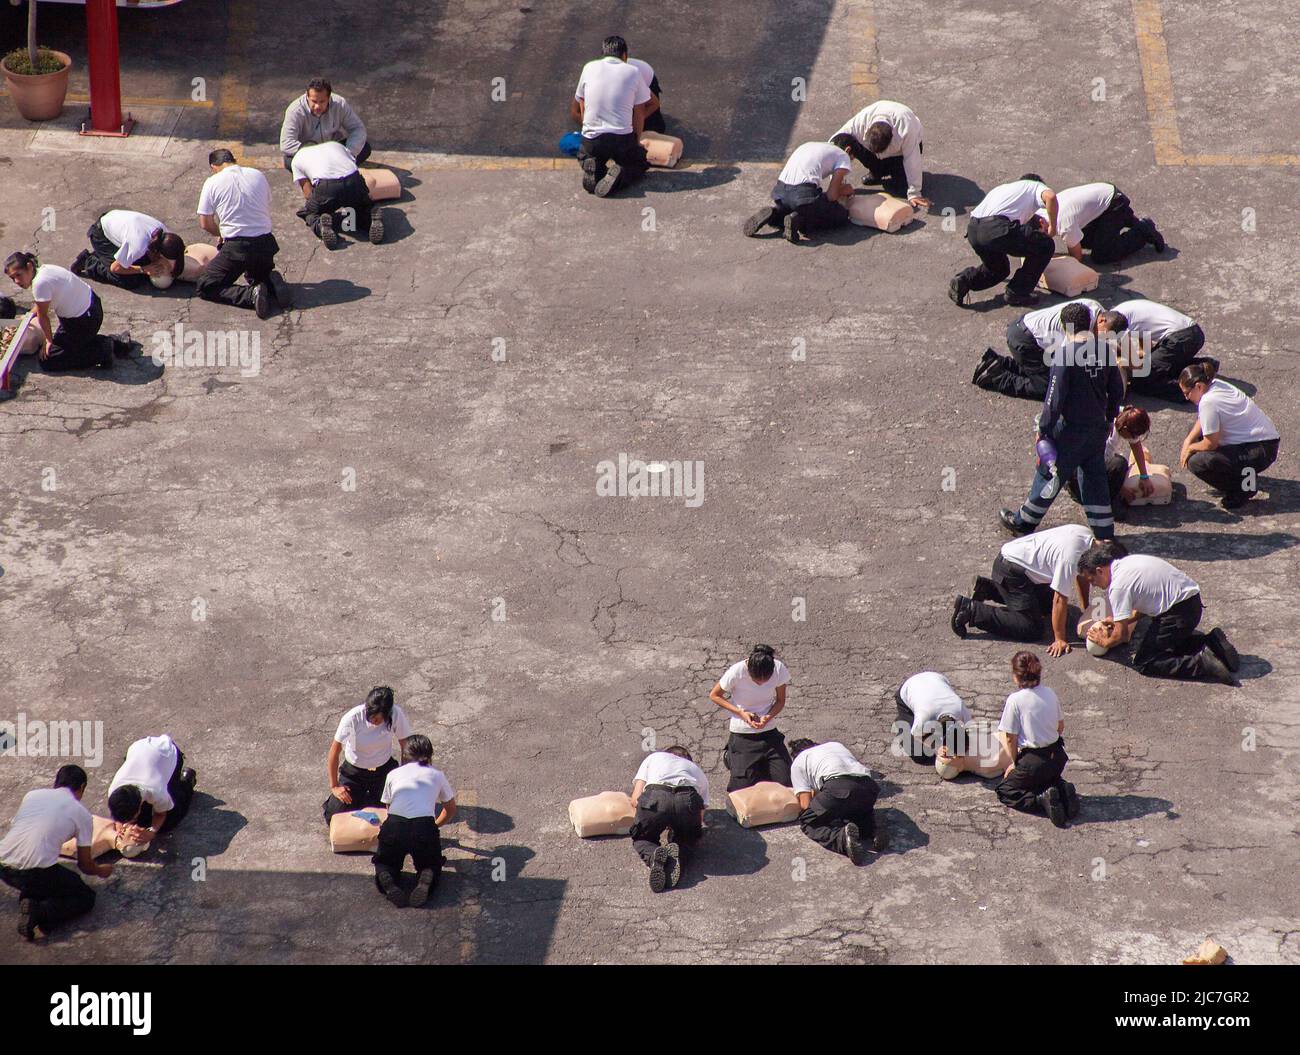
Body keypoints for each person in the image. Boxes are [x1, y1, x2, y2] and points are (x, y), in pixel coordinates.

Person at [999, 321, 1126, 540]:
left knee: (1051, 475)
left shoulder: (1065, 355)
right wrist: (1110, 417)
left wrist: (1044, 429)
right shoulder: (1105, 351)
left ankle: (1024, 522)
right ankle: (1104, 532)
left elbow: (1053, 400)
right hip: (1097, 429)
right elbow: (1116, 389)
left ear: (1067, 327)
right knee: (1095, 477)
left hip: (1070, 431)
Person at [1078, 543, 1239, 684]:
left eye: (1092, 580)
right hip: (1192, 604)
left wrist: (1104, 642)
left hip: (1178, 615)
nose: (1094, 586)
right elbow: (1145, 604)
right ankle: (1212, 642)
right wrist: (1121, 620)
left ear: (1099, 571)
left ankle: (1203, 664)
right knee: (1169, 643)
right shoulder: (1128, 562)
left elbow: (1121, 635)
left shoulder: (1118, 587)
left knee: (1145, 662)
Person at [953, 525, 1108, 653]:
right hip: (1011, 571)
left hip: (1018, 564)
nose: (1095, 584)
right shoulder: (1071, 558)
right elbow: (1059, 599)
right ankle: (972, 611)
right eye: (1096, 579)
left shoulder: (1087, 539)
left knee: (1047, 606)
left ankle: (988, 589)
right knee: (1031, 627)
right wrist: (1059, 639)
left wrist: (1085, 608)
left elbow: (1082, 576)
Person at [0, 765, 112, 941]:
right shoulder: (81, 813)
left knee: (45, 880)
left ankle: (30, 900)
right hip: (34, 872)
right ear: (82, 787)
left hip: (4, 866)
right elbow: (85, 865)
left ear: (56, 782)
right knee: (85, 896)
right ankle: (40, 913)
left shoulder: (32, 795)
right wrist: (101, 870)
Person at [196, 148, 291, 319]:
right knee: (255, 274)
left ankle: (250, 295)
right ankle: (269, 281)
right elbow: (264, 204)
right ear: (234, 160)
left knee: (206, 285)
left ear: (213, 166)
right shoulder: (257, 175)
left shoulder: (212, 182)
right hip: (266, 244)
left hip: (237, 247)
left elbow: (205, 224)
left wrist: (221, 233)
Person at [3, 251, 130, 372]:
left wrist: (48, 341)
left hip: (83, 321)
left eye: (18, 275)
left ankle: (102, 351)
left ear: (29, 266)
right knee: (66, 345)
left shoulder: (39, 284)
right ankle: (116, 342)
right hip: (92, 306)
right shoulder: (44, 270)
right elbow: (41, 303)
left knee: (48, 359)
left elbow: (43, 317)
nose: (17, 282)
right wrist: (28, 316)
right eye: (12, 278)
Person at [1178, 360, 1280, 510]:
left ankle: (1243, 489)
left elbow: (1210, 444)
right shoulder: (1215, 384)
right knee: (1194, 433)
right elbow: (1204, 419)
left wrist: (1190, 448)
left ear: (1198, 386)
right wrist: (1188, 440)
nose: (1186, 398)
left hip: (1260, 450)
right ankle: (1245, 475)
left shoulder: (1208, 401)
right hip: (1265, 443)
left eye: (1187, 393)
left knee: (1197, 462)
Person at [973, 299, 1121, 401]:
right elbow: (1065, 362)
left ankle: (996, 362)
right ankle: (994, 376)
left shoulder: (1096, 309)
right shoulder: (1078, 326)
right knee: (1047, 387)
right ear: (1102, 320)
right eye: (1104, 336)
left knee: (1044, 372)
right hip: (1026, 340)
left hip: (1028, 329)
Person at [993, 651, 1078, 827]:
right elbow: (1060, 727)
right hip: (1057, 757)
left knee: (1006, 790)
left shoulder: (1015, 700)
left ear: (1016, 676)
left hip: (1034, 761)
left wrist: (1014, 763)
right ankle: (1063, 791)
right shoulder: (1050, 693)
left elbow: (1009, 737)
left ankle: (1041, 801)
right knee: (1044, 779)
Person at [949, 175, 1058, 308]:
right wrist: (1052, 228)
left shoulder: (1005, 189)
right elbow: (1051, 197)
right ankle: (1018, 292)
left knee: (998, 269)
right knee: (1045, 245)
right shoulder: (1035, 186)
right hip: (996, 228)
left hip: (974, 229)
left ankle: (963, 281)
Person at [373, 735, 456, 908]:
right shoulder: (437, 775)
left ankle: (386, 876)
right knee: (432, 863)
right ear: (430, 756)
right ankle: (427, 874)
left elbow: (388, 807)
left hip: (395, 825)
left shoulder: (393, 774)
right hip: (424, 827)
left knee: (386, 861)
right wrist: (435, 825)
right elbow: (450, 809)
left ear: (405, 755)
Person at [571, 36, 652, 197]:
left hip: (592, 140)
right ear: (625, 55)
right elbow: (640, 111)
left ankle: (594, 166)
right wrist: (636, 142)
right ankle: (620, 174)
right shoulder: (633, 71)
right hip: (621, 140)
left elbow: (582, 102)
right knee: (639, 162)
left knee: (587, 154)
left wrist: (587, 131)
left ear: (603, 54)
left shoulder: (589, 67)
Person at [789, 739, 888, 864]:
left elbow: (805, 804)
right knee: (853, 812)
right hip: (869, 788)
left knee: (808, 821)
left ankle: (841, 840)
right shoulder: (835, 745)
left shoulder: (798, 762)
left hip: (838, 788)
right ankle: (872, 827)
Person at [323, 686, 414, 823]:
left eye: (377, 720)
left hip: (383, 770)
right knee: (336, 812)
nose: (372, 721)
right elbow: (334, 752)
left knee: (399, 810)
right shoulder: (352, 718)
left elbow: (405, 746)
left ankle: (370, 799)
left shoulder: (396, 714)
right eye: (370, 716)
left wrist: (403, 777)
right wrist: (335, 786)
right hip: (354, 773)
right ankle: (362, 799)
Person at [708, 644, 793, 791]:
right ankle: (731, 756)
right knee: (741, 789)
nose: (760, 683)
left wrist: (768, 716)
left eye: (765, 680)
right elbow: (714, 695)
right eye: (756, 680)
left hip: (768, 732)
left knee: (786, 782)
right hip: (742, 733)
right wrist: (741, 713)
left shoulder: (779, 669)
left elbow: (780, 701)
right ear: (749, 670)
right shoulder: (737, 671)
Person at [629, 746, 707, 893]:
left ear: (667, 754)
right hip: (687, 799)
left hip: (656, 796)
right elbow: (699, 818)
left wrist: (656, 819)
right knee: (687, 839)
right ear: (688, 761)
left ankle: (654, 856)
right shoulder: (697, 771)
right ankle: (677, 857)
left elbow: (635, 800)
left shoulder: (654, 758)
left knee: (642, 838)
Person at [742, 141, 854, 243]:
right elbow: (832, 196)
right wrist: (846, 189)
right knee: (840, 215)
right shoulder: (843, 156)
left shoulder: (811, 145)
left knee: (801, 206)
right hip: (802, 192)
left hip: (781, 191)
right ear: (847, 150)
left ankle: (775, 215)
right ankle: (799, 220)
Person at [829, 99, 929, 208]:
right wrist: (838, 184)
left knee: (901, 190)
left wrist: (914, 193)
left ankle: (890, 172)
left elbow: (912, 159)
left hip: (899, 155)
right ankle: (877, 172)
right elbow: (836, 142)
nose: (879, 156)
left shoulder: (906, 128)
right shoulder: (862, 122)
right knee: (850, 143)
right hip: (874, 149)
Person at [105, 734, 198, 849]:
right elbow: (117, 813)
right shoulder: (113, 790)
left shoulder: (155, 790)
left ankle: (187, 781)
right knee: (143, 820)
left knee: (170, 820)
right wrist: (119, 824)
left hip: (168, 752)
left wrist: (151, 832)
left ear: (139, 805)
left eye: (133, 816)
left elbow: (161, 814)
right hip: (140, 748)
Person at [1037, 182, 1163, 264]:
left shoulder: (1063, 225)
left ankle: (1143, 230)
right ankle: (1125, 218)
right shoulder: (1043, 210)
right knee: (1083, 240)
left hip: (1114, 203)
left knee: (1102, 255)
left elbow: (1076, 260)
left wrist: (1051, 261)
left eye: (1041, 235)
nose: (1043, 239)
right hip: (1105, 195)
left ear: (1042, 222)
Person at [1063, 405, 1155, 518]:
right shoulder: (1102, 432)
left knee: (1118, 461)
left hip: (1095, 463)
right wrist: (1121, 490)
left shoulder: (1123, 417)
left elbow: (1136, 445)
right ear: (1125, 429)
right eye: (1134, 435)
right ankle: (1106, 505)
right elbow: (1094, 468)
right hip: (1079, 476)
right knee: (1119, 464)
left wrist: (1144, 477)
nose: (1134, 438)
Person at [291, 141, 383, 248]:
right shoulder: (335, 145)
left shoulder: (298, 157)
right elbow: (353, 164)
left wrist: (324, 207)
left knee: (308, 211)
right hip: (354, 180)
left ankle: (321, 226)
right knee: (359, 208)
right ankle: (370, 219)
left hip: (327, 187)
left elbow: (308, 194)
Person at [1107, 299, 1204, 400]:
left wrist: (1121, 363)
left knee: (1140, 379)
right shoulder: (1119, 313)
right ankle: (1200, 368)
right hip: (1192, 333)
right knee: (1156, 365)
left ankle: (1193, 390)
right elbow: (1146, 344)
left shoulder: (1116, 327)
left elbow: (1137, 366)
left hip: (1182, 339)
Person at [71, 210, 185, 290]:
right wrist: (144, 269)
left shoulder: (164, 233)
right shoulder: (138, 245)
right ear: (158, 251)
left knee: (139, 262)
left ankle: (112, 255)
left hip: (116, 222)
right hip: (101, 235)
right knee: (129, 280)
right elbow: (115, 268)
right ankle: (89, 261)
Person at [280, 77, 370, 173]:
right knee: (289, 161)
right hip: (310, 153)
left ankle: (332, 169)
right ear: (307, 97)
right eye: (314, 101)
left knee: (365, 148)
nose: (317, 106)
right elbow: (286, 143)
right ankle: (335, 170)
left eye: (322, 101)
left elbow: (357, 129)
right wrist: (317, 155)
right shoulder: (295, 110)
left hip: (333, 150)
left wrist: (348, 152)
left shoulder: (340, 104)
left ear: (329, 97)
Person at [893, 671, 971, 763]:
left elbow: (971, 730)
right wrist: (937, 749)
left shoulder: (961, 710)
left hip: (937, 679)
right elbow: (916, 735)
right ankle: (902, 725)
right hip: (909, 688)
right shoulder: (925, 717)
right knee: (919, 753)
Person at [627, 53, 666, 134]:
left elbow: (653, 104)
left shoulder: (631, 80)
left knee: (651, 125)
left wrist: (634, 125)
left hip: (646, 79)